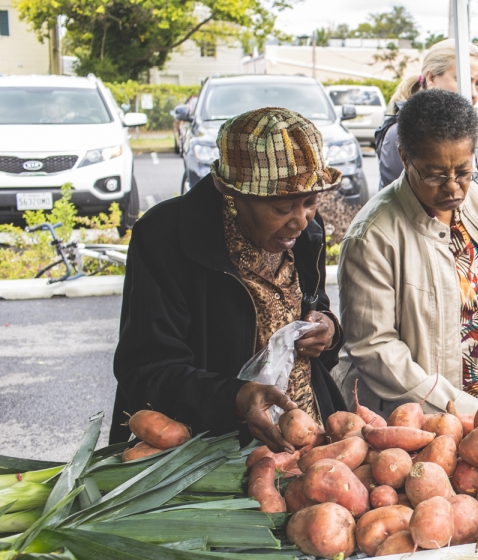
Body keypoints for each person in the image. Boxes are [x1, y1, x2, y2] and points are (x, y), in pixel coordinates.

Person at [112, 108, 345, 452]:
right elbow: (146, 371)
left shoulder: (307, 233)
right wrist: (235, 397)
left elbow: (315, 307)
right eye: (281, 208)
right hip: (206, 448)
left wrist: (328, 331)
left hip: (307, 433)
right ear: (231, 193)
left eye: (310, 202)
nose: (300, 221)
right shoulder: (165, 239)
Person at [335, 89, 478, 418]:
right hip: (422, 417)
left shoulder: (473, 198)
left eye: (463, 171)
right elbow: (374, 347)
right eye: (434, 175)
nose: (452, 187)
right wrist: (460, 409)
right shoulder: (372, 238)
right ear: (405, 158)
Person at [376, 40, 478, 214]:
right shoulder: (400, 133)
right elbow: (434, 210)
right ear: (431, 78)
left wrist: (477, 188)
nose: (473, 93)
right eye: (464, 80)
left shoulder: (466, 131)